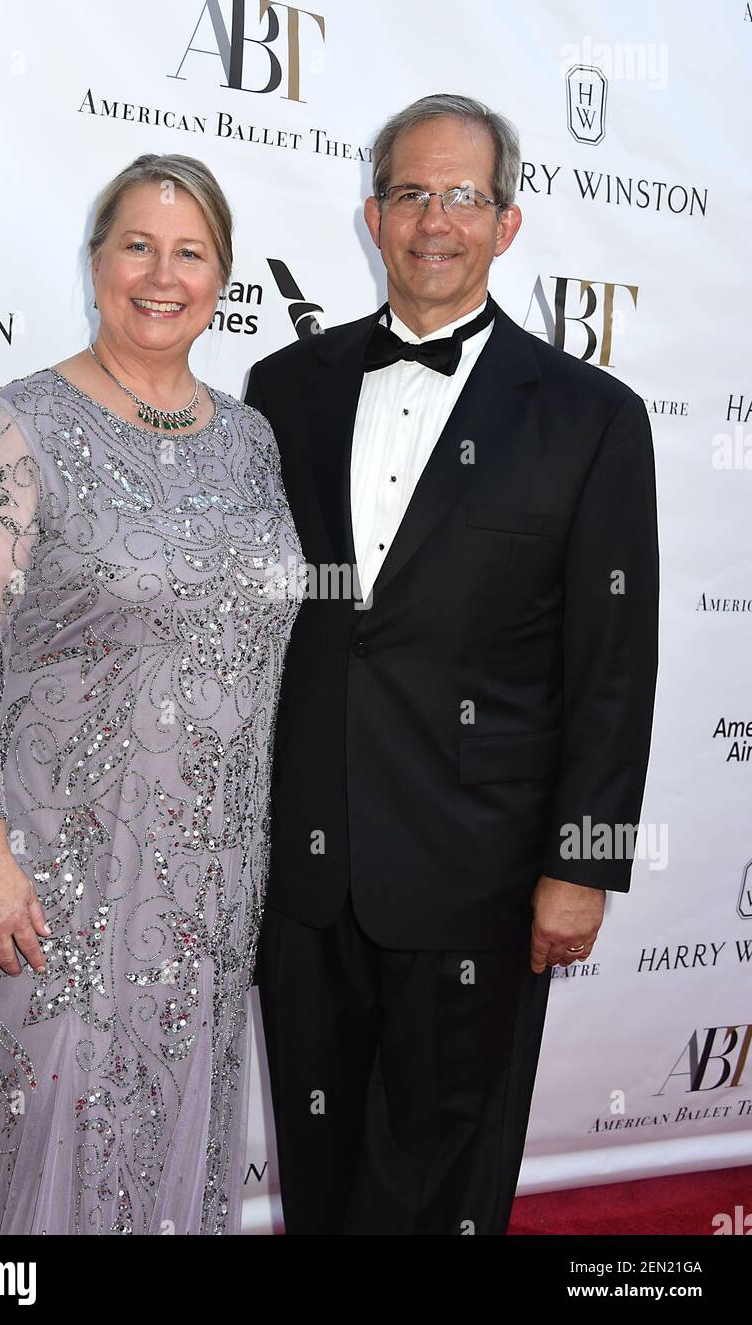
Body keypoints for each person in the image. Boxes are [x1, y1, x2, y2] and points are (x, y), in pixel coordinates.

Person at [245, 94, 659, 1235]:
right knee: (321, 1177)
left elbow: (616, 665)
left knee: (441, 1187)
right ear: (372, 215)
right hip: (310, 868)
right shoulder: (286, 392)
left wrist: (585, 865)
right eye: (412, 194)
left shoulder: (593, 417)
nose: (437, 220)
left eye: (464, 196)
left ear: (508, 224)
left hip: (480, 874)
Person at [0, 153, 303, 1234]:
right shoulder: (23, 423)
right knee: (35, 1121)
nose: (161, 274)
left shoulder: (252, 441)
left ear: (220, 277)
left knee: (163, 1120)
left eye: (189, 252)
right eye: (137, 245)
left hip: (206, 881)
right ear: (95, 262)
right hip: (49, 867)